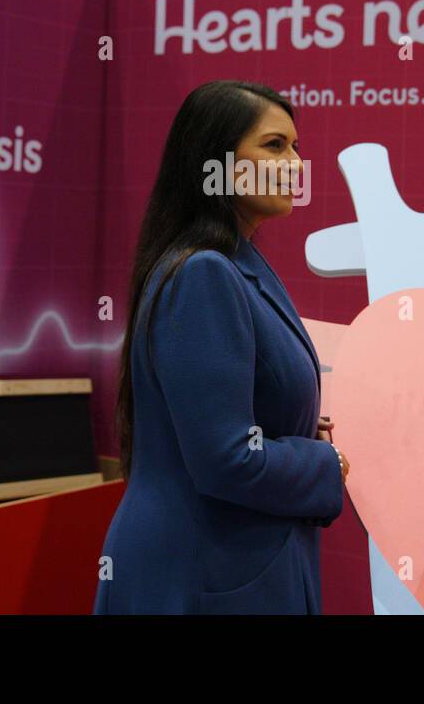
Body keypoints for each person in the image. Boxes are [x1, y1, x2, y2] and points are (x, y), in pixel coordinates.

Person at [94, 80, 350, 614]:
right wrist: (324, 461)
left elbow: (228, 416)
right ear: (215, 161)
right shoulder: (205, 274)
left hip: (229, 567)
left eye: (297, 148)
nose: (296, 164)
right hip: (200, 576)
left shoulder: (234, 263)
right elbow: (225, 459)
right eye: (275, 146)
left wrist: (293, 428)